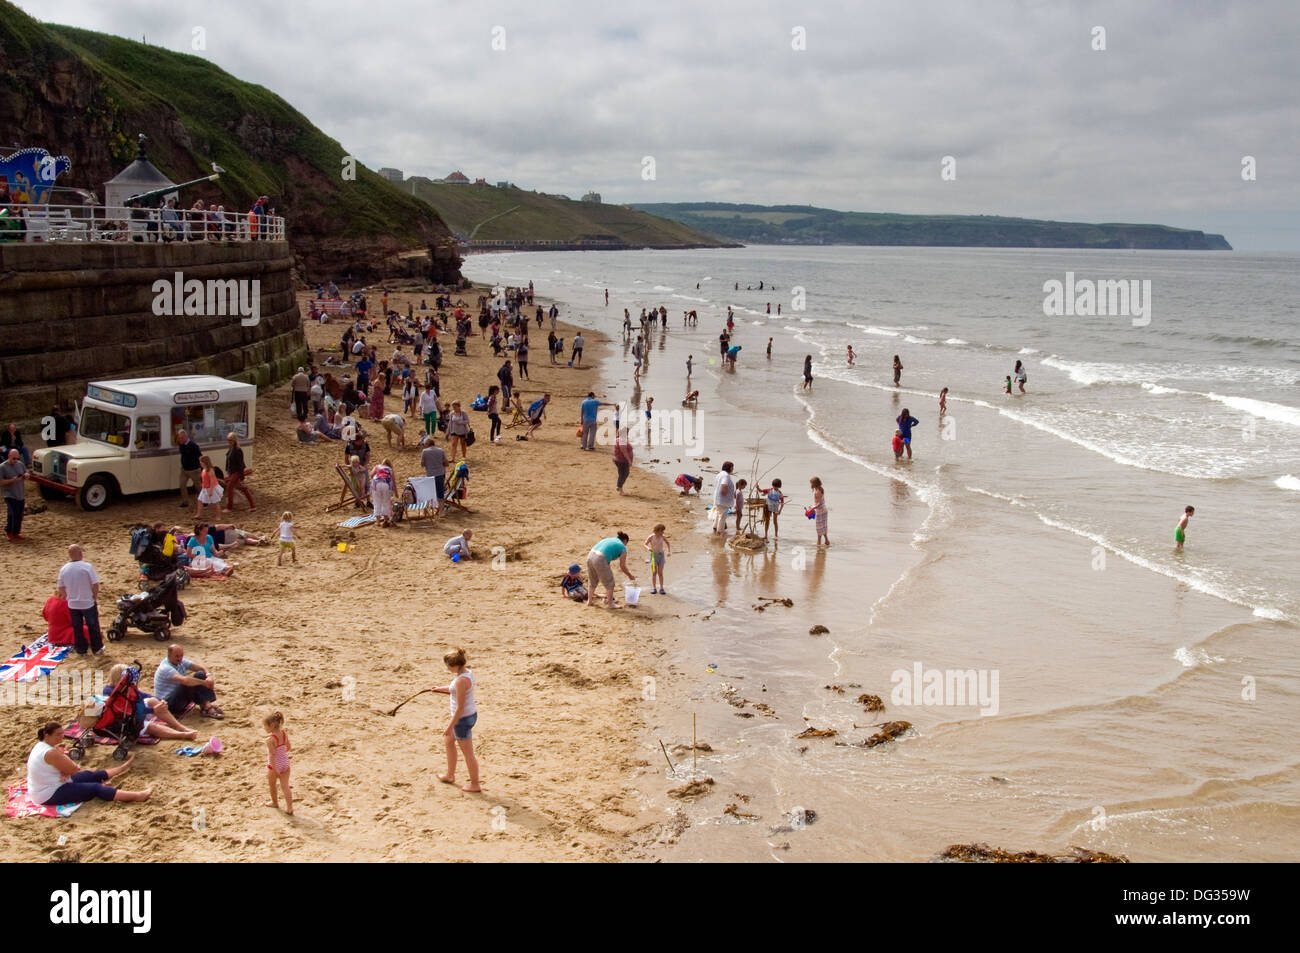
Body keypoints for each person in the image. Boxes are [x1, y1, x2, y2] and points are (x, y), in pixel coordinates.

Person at [26, 723, 151, 806]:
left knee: (89, 775)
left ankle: (122, 768)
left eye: (62, 733)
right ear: (47, 735)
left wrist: (63, 764)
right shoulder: (51, 752)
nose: (62, 737)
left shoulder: (41, 746)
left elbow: (65, 769)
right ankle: (138, 796)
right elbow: (74, 769)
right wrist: (63, 756)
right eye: (58, 734)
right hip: (48, 793)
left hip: (51, 783)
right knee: (95, 788)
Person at [433, 647, 481, 792]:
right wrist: (439, 688)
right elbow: (454, 689)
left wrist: (449, 726)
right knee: (448, 742)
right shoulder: (467, 673)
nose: (447, 668)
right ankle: (450, 775)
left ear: (455, 665)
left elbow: (459, 708)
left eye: (448, 666)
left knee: (468, 753)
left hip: (462, 719)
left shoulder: (460, 681)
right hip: (469, 714)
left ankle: (475, 784)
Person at [56, 545, 103, 656]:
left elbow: (60, 587)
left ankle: (81, 650)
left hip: (73, 604)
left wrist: (68, 597)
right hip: (87, 602)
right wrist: (94, 597)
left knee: (77, 628)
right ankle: (97, 648)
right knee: (93, 626)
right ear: (80, 554)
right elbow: (95, 584)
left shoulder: (64, 569)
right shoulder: (87, 567)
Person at [153, 644, 223, 719]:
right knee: (187, 683)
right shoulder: (165, 668)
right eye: (177, 656)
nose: (179, 658)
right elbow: (185, 681)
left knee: (200, 674)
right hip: (168, 703)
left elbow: (200, 668)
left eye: (181, 656)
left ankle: (206, 705)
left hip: (179, 696)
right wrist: (205, 683)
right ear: (169, 656)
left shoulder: (181, 661)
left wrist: (209, 676)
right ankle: (207, 706)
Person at [586, 532, 636, 608]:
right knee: (610, 583)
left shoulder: (609, 539)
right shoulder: (622, 547)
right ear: (625, 541)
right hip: (599, 559)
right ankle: (611, 604)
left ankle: (589, 601)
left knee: (592, 580)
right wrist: (630, 575)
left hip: (590, 556)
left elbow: (606, 553)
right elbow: (622, 566)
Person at [263, 711, 293, 814]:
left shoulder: (270, 740)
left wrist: (274, 769)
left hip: (275, 765)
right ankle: (290, 808)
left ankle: (275, 802)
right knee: (285, 787)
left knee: (272, 784)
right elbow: (288, 746)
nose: (264, 728)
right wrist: (282, 753)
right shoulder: (284, 734)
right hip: (285, 762)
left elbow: (272, 755)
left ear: (271, 725)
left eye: (265, 726)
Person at [0, 447, 26, 540]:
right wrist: (13, 480)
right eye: (14, 458)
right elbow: (1, 482)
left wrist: (26, 475)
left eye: (17, 458)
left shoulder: (20, 464)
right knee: (12, 513)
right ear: (9, 456)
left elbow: (25, 473)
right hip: (9, 494)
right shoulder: (2, 467)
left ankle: (16, 533)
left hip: (20, 493)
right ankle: (9, 531)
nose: (16, 460)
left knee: (19, 515)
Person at [224, 433, 254, 510]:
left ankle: (229, 507)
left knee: (229, 488)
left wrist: (241, 476)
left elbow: (240, 464)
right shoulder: (231, 448)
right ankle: (252, 505)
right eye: (228, 440)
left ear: (234, 440)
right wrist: (228, 470)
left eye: (230, 440)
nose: (229, 442)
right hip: (232, 472)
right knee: (243, 488)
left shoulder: (237, 450)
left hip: (236, 472)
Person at [176, 429, 202, 507]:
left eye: (181, 438)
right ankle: (185, 501)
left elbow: (199, 456)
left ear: (185, 437)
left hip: (193, 469)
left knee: (198, 486)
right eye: (179, 438)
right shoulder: (181, 445)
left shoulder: (193, 445)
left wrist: (200, 467)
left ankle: (204, 500)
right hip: (184, 469)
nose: (180, 439)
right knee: (182, 485)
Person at [644, 524, 671, 595]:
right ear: (657, 531)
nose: (662, 533)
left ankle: (661, 588)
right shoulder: (651, 537)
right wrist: (648, 548)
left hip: (661, 555)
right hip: (653, 556)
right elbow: (645, 544)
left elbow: (668, 543)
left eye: (663, 531)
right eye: (661, 531)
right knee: (654, 572)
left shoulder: (663, 537)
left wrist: (668, 551)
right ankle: (654, 588)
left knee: (660, 573)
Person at [712, 462, 736, 535]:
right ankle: (720, 531)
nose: (733, 469)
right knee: (722, 515)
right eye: (732, 467)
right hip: (723, 499)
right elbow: (724, 484)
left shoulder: (720, 474)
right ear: (729, 468)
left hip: (718, 498)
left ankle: (715, 527)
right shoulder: (726, 475)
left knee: (718, 513)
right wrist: (724, 492)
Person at [371, 459, 395, 527]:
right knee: (386, 502)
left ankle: (378, 521)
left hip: (376, 484)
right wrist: (396, 492)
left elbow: (371, 475)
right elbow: (393, 481)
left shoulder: (377, 466)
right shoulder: (390, 469)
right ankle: (385, 520)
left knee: (377, 502)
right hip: (386, 485)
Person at [612, 427, 634, 495]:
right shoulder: (621, 440)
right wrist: (629, 460)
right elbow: (624, 452)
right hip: (622, 460)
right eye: (627, 432)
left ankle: (619, 486)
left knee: (624, 474)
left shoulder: (619, 439)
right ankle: (620, 488)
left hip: (619, 459)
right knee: (623, 474)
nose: (627, 434)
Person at [810, 476, 829, 546]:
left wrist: (812, 508)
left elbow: (819, 503)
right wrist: (812, 506)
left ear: (814, 484)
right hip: (823, 509)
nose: (811, 485)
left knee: (819, 526)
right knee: (823, 526)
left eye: (811, 483)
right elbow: (819, 502)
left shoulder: (817, 491)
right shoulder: (820, 489)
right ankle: (826, 541)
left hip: (820, 510)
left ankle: (819, 543)